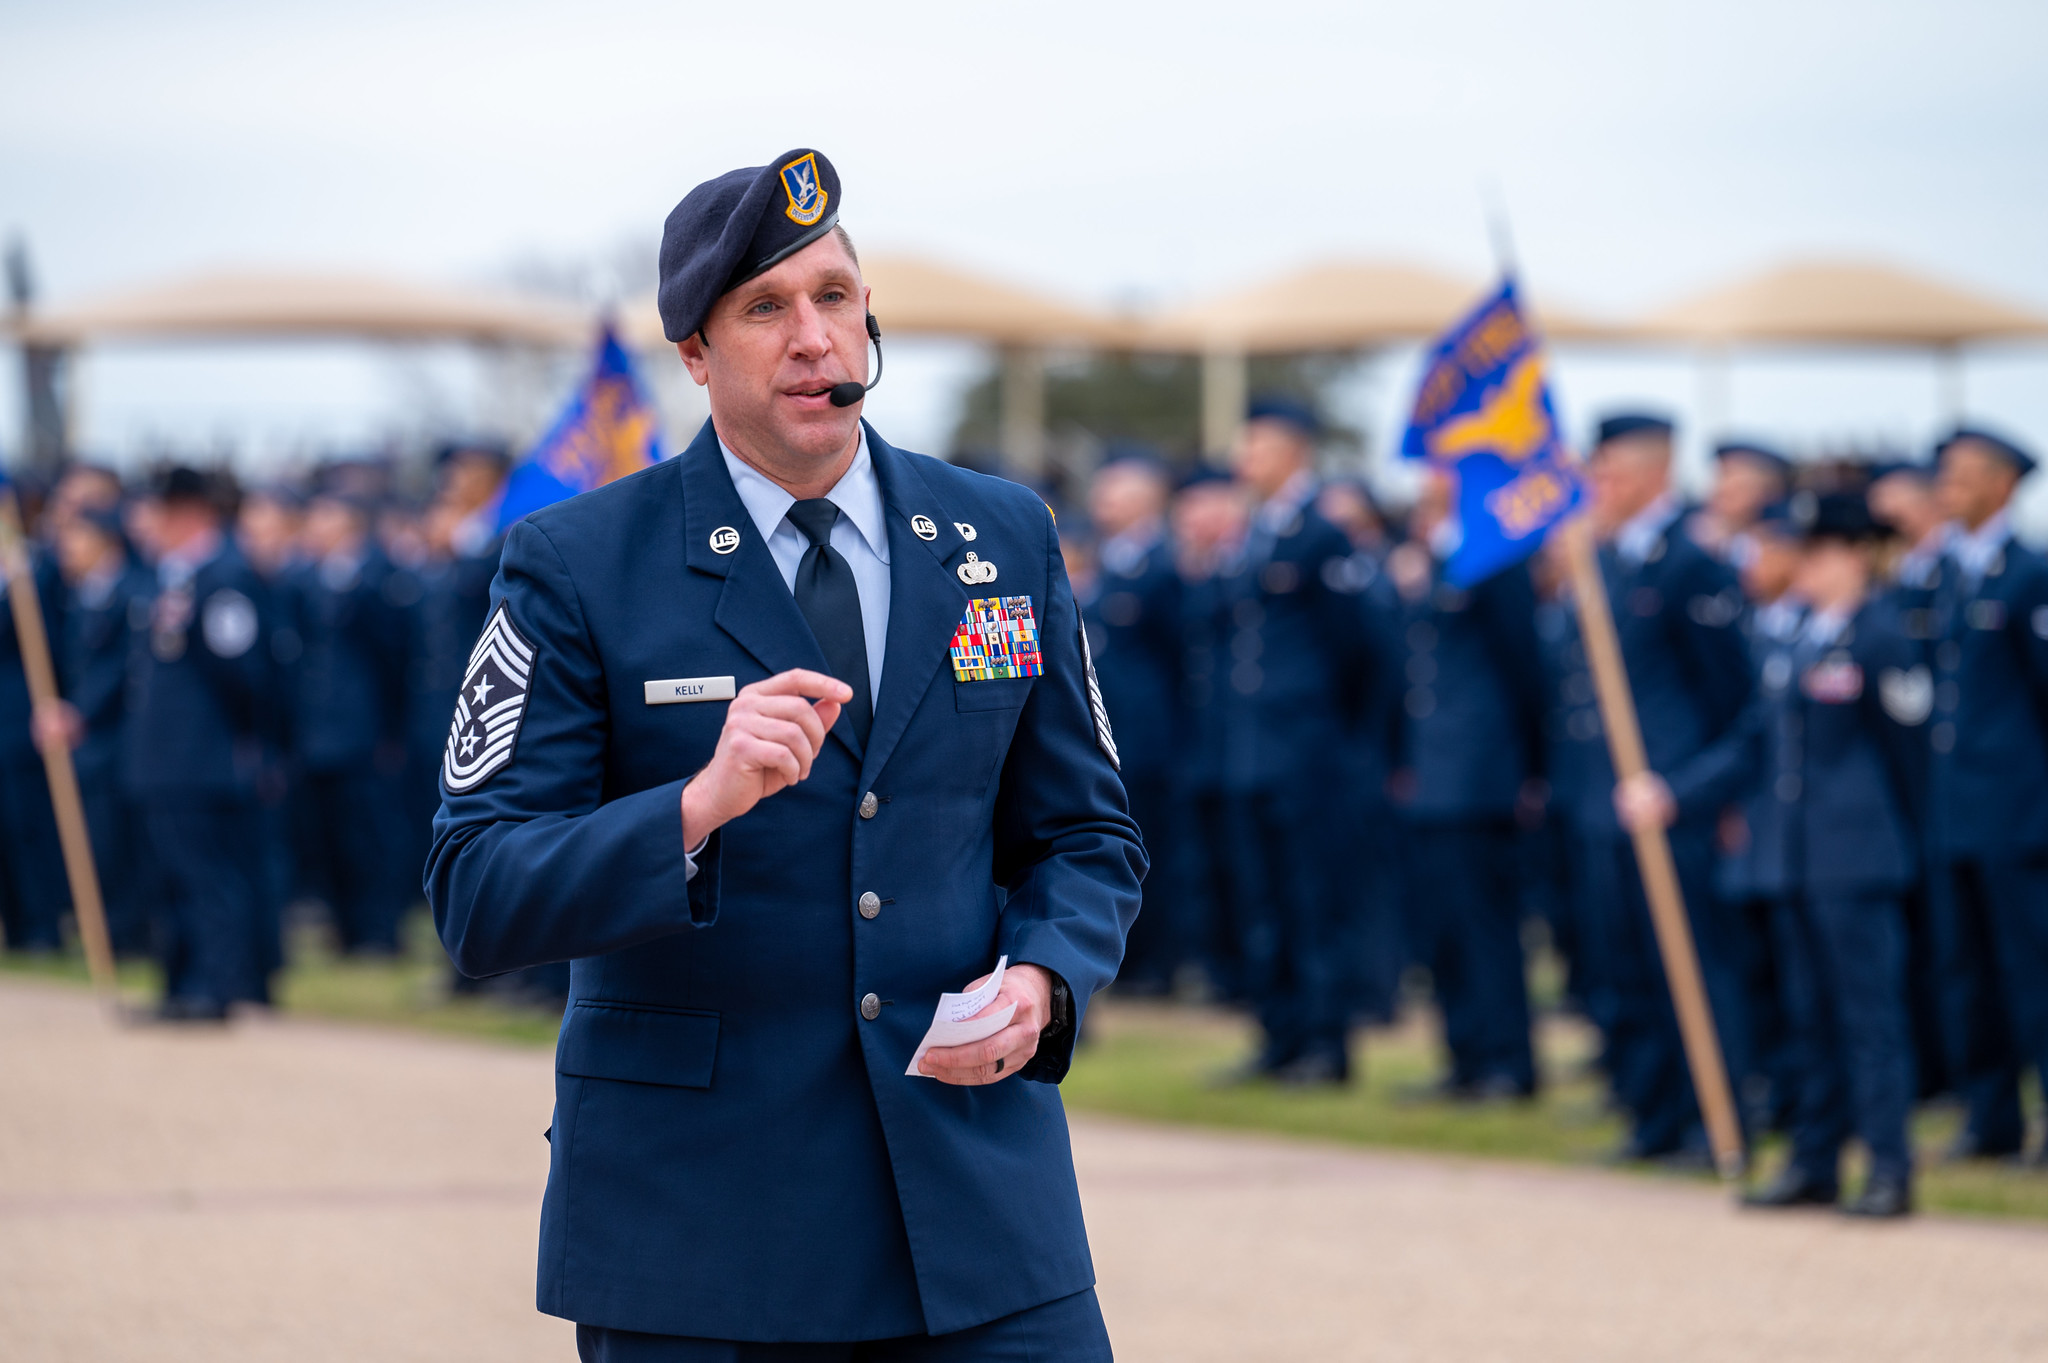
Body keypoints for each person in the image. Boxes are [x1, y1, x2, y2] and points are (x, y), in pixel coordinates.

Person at [426, 148, 1142, 1360]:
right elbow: (477, 888)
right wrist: (693, 806)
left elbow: (1085, 833)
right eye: (764, 307)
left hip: (975, 1217)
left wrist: (1044, 977)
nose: (813, 337)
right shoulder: (577, 562)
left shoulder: (998, 536)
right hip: (702, 1233)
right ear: (696, 355)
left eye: (833, 295)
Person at [1575, 412, 1757, 1163]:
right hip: (1608, 803)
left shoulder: (1692, 563)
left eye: (1610, 474)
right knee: (1628, 970)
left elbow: (1737, 698)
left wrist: (1695, 790)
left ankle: (1714, 1119)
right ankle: (1653, 1116)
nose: (1596, 489)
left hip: (1674, 801)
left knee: (1697, 969)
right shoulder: (1605, 561)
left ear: (1654, 476)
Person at [1740, 493, 1925, 1216]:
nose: (1805, 565)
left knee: (1868, 1018)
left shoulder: (1882, 634)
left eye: (1820, 551)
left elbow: (1908, 749)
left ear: (1856, 557)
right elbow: (1758, 741)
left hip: (1858, 853)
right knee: (1807, 1015)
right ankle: (1815, 1158)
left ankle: (1887, 1163)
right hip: (1795, 854)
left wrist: (1898, 839)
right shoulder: (1795, 636)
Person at [1210, 395, 1374, 1084]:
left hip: (1306, 751)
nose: (1246, 459)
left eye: (1260, 446)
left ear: (1295, 452)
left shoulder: (1321, 536)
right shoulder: (1256, 532)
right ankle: (1279, 1035)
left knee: (1312, 903)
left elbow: (1358, 650)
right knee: (1264, 901)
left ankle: (1324, 1043)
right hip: (1253, 753)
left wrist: (1331, 730)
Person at [1385, 469, 1545, 1099]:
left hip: (1483, 775)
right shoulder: (1430, 556)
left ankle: (1509, 1060)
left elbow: (1524, 665)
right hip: (1432, 772)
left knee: (1486, 927)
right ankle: (1466, 1053)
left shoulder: (1492, 560)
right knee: (1442, 928)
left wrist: (1531, 769)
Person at [1924, 426, 2048, 1163]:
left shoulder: (2029, 573)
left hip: (2019, 811)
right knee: (1965, 973)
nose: (1949, 488)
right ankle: (1989, 1116)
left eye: (1965, 476)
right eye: (1946, 474)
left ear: (2003, 485)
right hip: (1955, 810)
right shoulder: (1942, 574)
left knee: (2031, 969)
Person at [126, 466, 273, 1018]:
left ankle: (216, 986)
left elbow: (242, 673)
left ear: (190, 515)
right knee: (170, 878)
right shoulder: (172, 576)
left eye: (160, 512)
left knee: (207, 877)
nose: (147, 523)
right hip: (163, 759)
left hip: (200, 756)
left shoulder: (223, 578)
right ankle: (179, 984)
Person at [281, 487, 411, 954]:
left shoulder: (380, 579)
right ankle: (343, 927)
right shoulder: (306, 580)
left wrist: (391, 730)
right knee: (326, 835)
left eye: (324, 518)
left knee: (370, 837)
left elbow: (395, 659)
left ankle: (378, 931)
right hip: (317, 731)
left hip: (365, 730)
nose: (314, 528)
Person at [1082, 454, 1183, 994]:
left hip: (1148, 737)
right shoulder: (1109, 562)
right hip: (1108, 733)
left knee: (1153, 849)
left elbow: (1179, 656)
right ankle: (1127, 959)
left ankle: (1157, 965)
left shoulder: (1163, 566)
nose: (1103, 502)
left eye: (1115, 491)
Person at [37, 506, 156, 955]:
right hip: (87, 741)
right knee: (94, 838)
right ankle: (103, 930)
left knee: (118, 842)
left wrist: (78, 711)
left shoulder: (130, 595)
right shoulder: (81, 595)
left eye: (77, 539)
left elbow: (120, 667)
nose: (67, 550)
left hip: (119, 737)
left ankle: (127, 935)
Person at [1691, 440, 1792, 562]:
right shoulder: (1690, 528)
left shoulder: (1781, 542)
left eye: (1728, 474)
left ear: (1768, 488)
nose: (1718, 487)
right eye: (1720, 475)